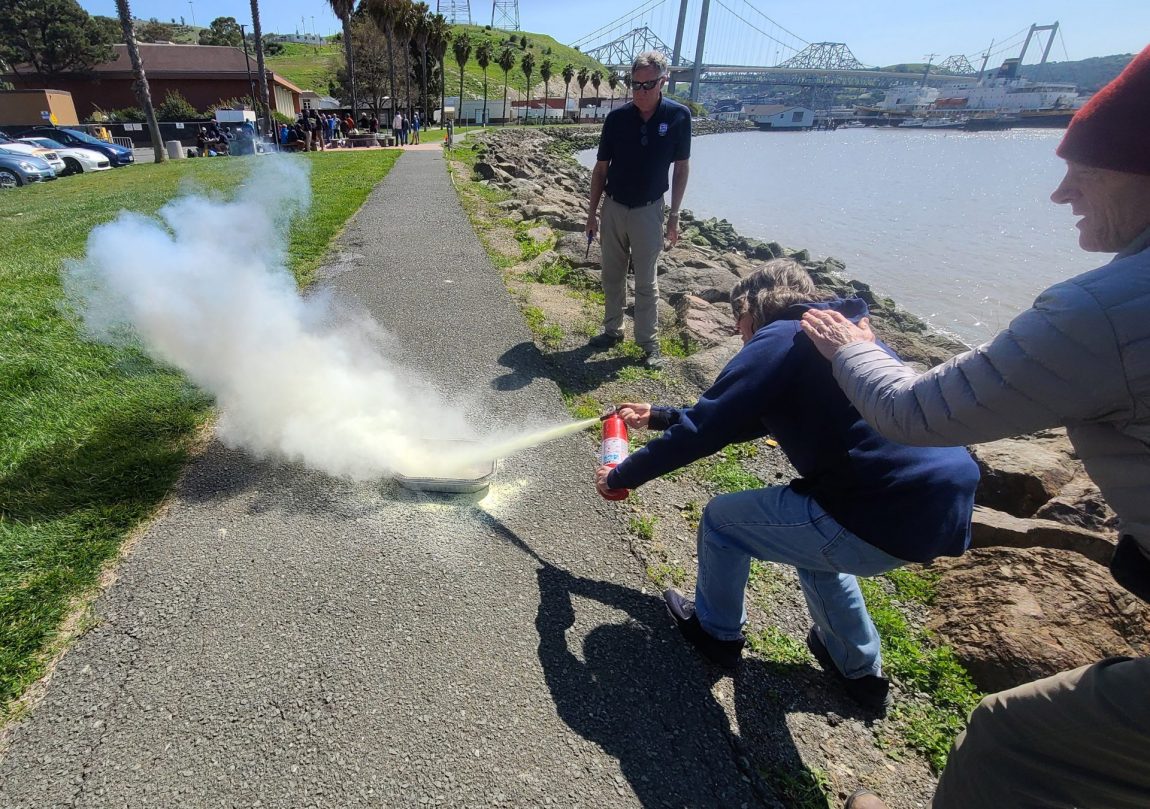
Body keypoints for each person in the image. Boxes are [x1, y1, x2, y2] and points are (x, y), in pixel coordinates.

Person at [800, 44, 1150, 809]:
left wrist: (855, 349)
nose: (1062, 194)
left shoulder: (1104, 307)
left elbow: (914, 411)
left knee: (1011, 739)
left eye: (1084, 166)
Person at [595, 259, 980, 714]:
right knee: (819, 554)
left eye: (737, 320)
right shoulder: (830, 330)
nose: (738, 332)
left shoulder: (778, 338)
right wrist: (660, 415)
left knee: (723, 521)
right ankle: (862, 674)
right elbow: (745, 416)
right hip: (939, 508)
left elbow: (708, 429)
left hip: (879, 503)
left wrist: (621, 477)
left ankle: (715, 634)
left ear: (751, 309)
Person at [585, 50, 691, 369]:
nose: (641, 92)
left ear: (663, 82)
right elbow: (600, 169)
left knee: (646, 281)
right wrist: (592, 214)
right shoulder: (616, 119)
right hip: (615, 206)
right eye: (635, 85)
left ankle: (648, 343)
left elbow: (682, 167)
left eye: (648, 85)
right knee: (612, 275)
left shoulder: (679, 117)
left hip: (649, 209)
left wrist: (674, 215)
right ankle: (612, 330)